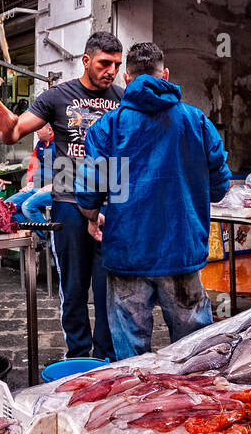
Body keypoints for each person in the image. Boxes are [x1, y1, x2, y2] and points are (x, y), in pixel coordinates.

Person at [76, 42, 230, 361]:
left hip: (127, 253)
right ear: (166, 74)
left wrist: (93, 216)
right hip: (182, 253)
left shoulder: (107, 127)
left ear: (127, 79)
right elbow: (219, 187)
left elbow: (87, 193)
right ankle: (192, 410)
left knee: (131, 364)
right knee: (193, 358)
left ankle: (137, 410)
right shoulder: (196, 121)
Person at [0, 31, 123, 359]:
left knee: (109, 289)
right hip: (69, 202)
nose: (111, 71)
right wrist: (7, 128)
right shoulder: (58, 96)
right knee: (74, 286)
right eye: (105, 63)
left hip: (112, 204)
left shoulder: (122, 97)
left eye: (116, 64)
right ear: (86, 61)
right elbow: (17, 130)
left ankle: (106, 359)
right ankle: (76, 356)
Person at [6, 123, 55, 227]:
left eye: (39, 128)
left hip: (54, 190)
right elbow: (32, 166)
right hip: (36, 188)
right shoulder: (39, 145)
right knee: (6, 207)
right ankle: (33, 229)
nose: (36, 131)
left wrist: (54, 185)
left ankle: (46, 239)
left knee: (28, 207)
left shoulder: (60, 145)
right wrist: (30, 182)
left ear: (49, 130)